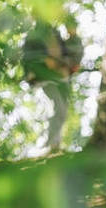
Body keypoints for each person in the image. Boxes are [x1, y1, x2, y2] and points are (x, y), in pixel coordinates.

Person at [22, 19, 83, 152]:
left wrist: (64, 66)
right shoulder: (33, 36)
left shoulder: (56, 34)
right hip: (44, 79)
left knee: (62, 110)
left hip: (60, 79)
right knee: (56, 107)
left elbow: (69, 56)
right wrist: (34, 70)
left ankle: (55, 144)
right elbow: (28, 57)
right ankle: (48, 145)